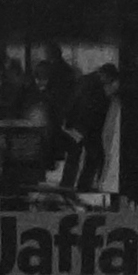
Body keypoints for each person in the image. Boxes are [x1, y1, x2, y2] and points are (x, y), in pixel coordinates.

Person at [57, 62, 120, 191]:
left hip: (77, 125)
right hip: (86, 126)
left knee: (75, 156)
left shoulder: (85, 81)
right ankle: (83, 186)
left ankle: (67, 186)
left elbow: (74, 102)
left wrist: (68, 121)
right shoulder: (95, 87)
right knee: (91, 156)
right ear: (105, 75)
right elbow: (90, 109)